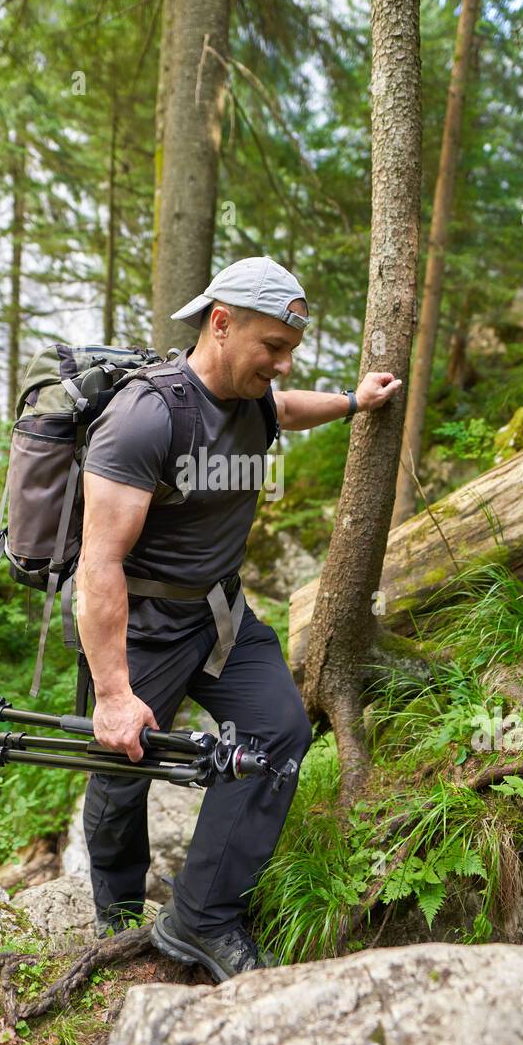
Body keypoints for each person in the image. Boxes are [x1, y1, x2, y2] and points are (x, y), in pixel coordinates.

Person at [74, 256, 402, 982]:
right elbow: (98, 566)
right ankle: (117, 920)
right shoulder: (146, 416)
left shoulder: (256, 399)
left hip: (220, 613)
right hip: (142, 621)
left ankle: (200, 918)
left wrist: (353, 402)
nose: (283, 366)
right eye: (273, 349)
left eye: (291, 351)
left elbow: (283, 412)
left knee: (280, 731)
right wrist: (112, 693)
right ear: (221, 324)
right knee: (120, 772)